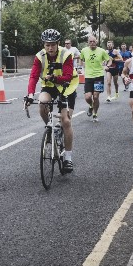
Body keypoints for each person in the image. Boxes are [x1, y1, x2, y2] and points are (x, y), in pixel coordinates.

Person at [25, 29, 78, 173]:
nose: (50, 48)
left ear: (58, 43)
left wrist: (54, 78)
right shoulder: (40, 56)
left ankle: (68, 158)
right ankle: (50, 128)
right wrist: (30, 94)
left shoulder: (66, 54)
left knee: (66, 121)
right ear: (44, 44)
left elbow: (68, 76)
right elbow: (33, 76)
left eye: (53, 45)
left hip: (67, 87)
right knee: (42, 103)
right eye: (47, 45)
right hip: (49, 86)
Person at [80, 35, 111, 122]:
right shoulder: (84, 50)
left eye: (94, 41)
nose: (92, 43)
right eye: (90, 41)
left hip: (99, 76)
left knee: (96, 96)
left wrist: (107, 66)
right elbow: (81, 59)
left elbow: (109, 60)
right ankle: (91, 105)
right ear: (88, 42)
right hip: (88, 76)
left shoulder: (102, 51)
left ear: (96, 42)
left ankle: (95, 114)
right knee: (88, 97)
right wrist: (82, 66)